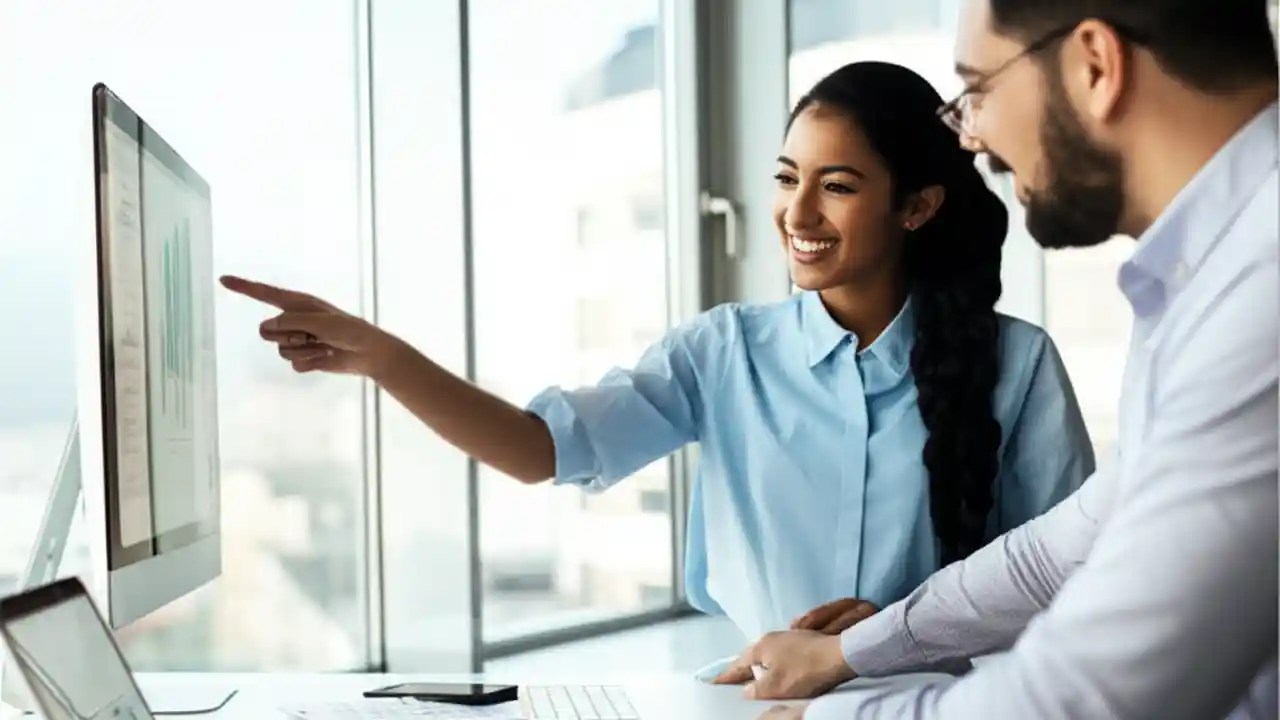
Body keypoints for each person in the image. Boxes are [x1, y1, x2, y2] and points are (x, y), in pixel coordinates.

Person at [221, 61, 1094, 679]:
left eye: (837, 185)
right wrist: (384, 359)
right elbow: (542, 450)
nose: (796, 212)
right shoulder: (722, 353)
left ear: (917, 206)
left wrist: (893, 637)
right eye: (788, 177)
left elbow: (1070, 586)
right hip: (756, 707)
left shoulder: (1017, 366)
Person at [741, 1, 1280, 719]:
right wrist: (850, 652)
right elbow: (1067, 547)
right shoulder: (1208, 275)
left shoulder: (1260, 291)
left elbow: (1084, 699)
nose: (974, 140)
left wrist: (828, 719)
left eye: (979, 91)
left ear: (1095, 64)